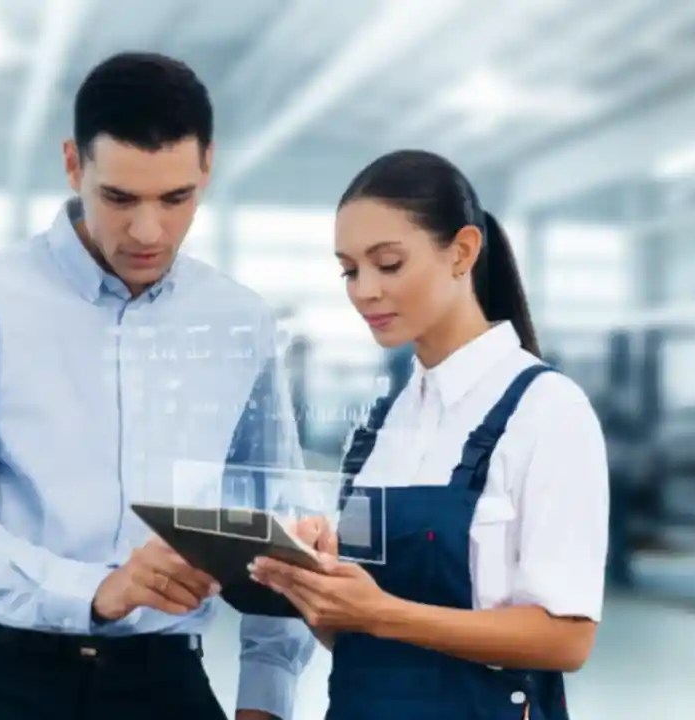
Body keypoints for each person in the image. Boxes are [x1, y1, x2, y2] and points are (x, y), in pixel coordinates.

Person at [0, 52, 313, 720]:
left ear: (207, 165)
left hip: (165, 681)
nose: (148, 231)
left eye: (176, 199)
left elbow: (274, 514)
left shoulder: (241, 321)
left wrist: (267, 692)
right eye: (119, 198)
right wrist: (95, 590)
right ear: (73, 164)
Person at [251, 150, 609, 719]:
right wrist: (316, 590)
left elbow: (567, 640)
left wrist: (378, 612)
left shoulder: (546, 411)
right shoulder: (384, 424)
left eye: (387, 263)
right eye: (349, 270)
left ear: (462, 252)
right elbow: (357, 644)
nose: (363, 290)